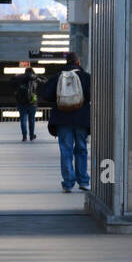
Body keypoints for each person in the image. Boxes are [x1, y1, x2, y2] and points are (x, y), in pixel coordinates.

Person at [41, 51, 91, 192]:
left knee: (65, 150)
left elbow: (46, 95)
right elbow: (92, 94)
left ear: (66, 62)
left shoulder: (58, 77)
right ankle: (83, 181)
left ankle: (68, 183)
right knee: (81, 149)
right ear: (78, 62)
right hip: (81, 119)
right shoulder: (86, 77)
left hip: (62, 118)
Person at [14, 65, 40, 141]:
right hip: (32, 102)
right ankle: (31, 136)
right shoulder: (35, 79)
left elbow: (13, 84)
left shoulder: (20, 78)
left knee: (23, 120)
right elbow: (44, 82)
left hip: (21, 103)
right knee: (31, 120)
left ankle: (24, 136)